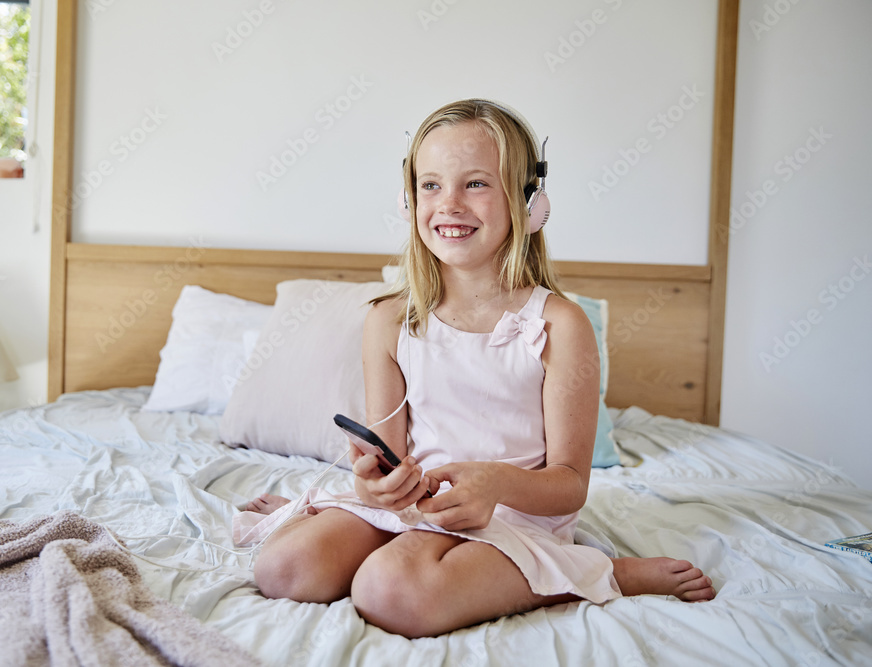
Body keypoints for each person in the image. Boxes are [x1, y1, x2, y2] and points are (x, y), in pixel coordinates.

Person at [235, 99, 715, 638]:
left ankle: (593, 573)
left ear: (528, 203)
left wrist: (496, 483)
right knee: (283, 568)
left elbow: (570, 485)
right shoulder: (389, 320)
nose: (450, 204)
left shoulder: (559, 324)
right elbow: (386, 457)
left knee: (388, 592)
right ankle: (396, 547)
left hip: (514, 515)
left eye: (477, 184)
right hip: (421, 510)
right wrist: (373, 491)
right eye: (431, 185)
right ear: (408, 199)